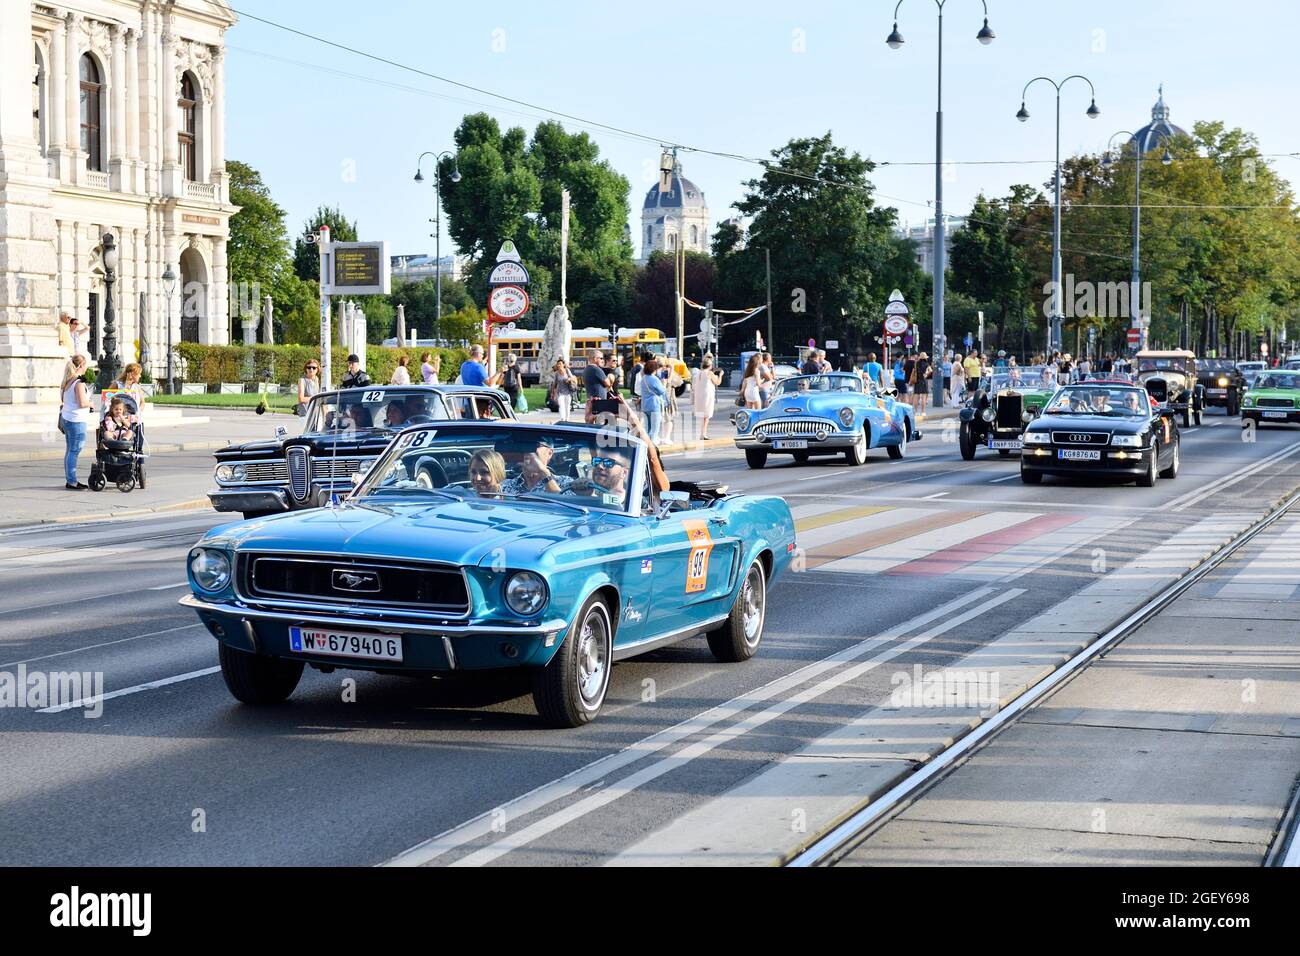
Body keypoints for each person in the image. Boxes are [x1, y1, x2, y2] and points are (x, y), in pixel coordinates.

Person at [60, 356, 93, 490]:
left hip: (67, 418)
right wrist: (90, 403)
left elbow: (64, 400)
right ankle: (72, 481)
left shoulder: (67, 381)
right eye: (85, 365)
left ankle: (70, 479)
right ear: (81, 366)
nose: (86, 368)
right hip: (76, 420)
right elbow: (82, 403)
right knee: (74, 450)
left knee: (69, 450)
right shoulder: (78, 382)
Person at [692, 355, 723, 439]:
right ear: (710, 365)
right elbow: (717, 383)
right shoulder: (710, 373)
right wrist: (720, 375)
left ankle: (700, 433)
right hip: (707, 396)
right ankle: (703, 434)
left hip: (699, 396)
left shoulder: (698, 372)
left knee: (701, 416)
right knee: (706, 417)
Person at [641, 355, 668, 444]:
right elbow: (662, 391)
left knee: (647, 428)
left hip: (645, 406)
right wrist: (664, 384)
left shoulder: (643, 378)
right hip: (654, 405)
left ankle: (646, 445)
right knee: (655, 429)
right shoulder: (654, 379)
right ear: (654, 369)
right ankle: (652, 447)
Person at [912, 351, 931, 416]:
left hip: (917, 381)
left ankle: (916, 411)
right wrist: (926, 374)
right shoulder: (927, 364)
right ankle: (923, 412)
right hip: (924, 381)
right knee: (923, 397)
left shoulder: (916, 363)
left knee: (916, 396)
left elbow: (914, 371)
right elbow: (930, 370)